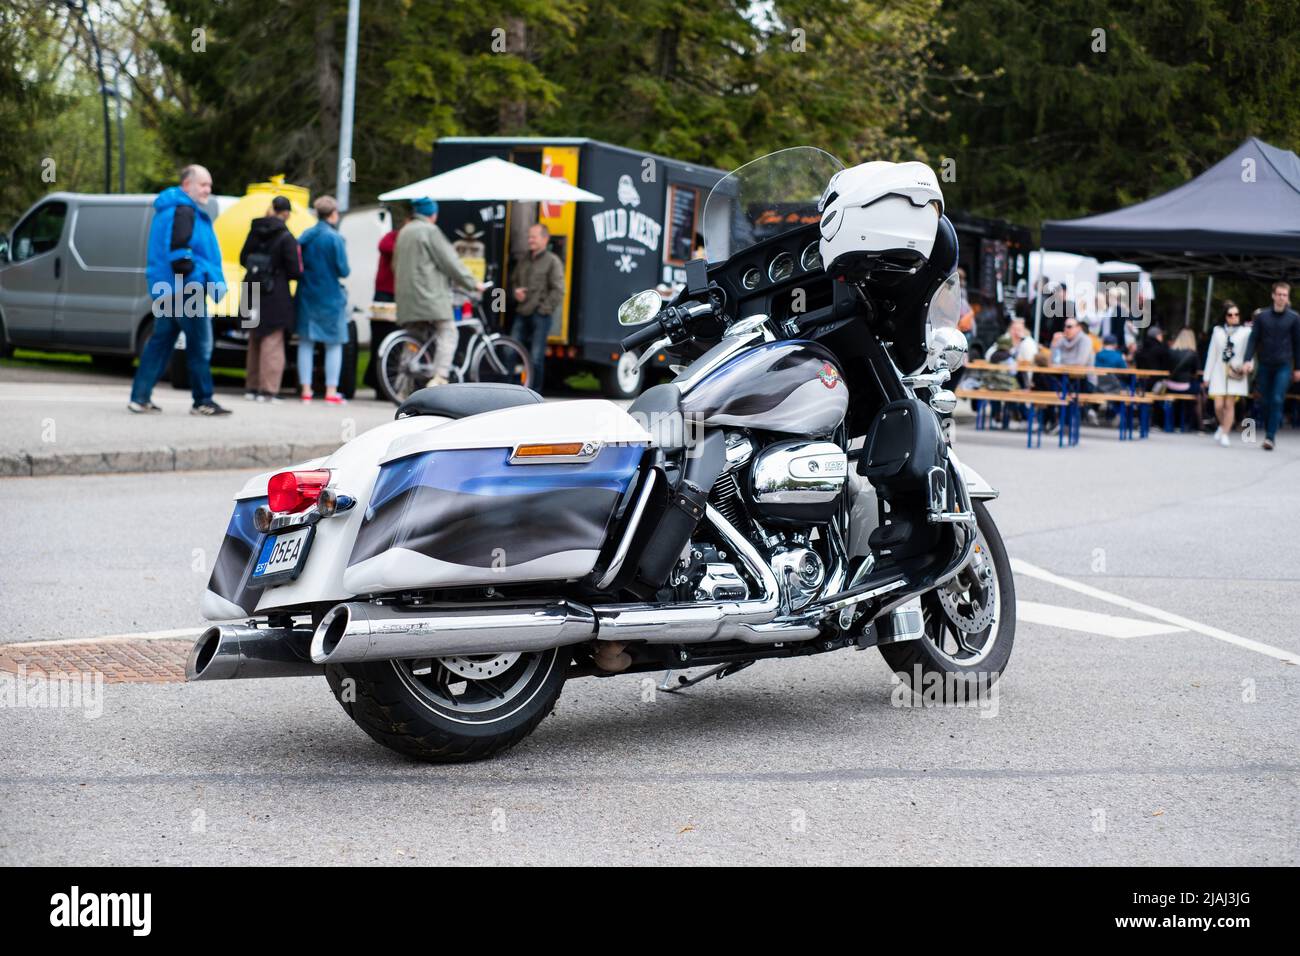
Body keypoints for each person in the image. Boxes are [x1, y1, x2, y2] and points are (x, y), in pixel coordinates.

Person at [128, 164, 230, 416]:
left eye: (210, 185)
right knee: (199, 345)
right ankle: (203, 401)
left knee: (160, 344)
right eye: (203, 184)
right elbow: (180, 256)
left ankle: (140, 398)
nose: (208, 190)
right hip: (185, 290)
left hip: (167, 289)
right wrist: (198, 278)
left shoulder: (167, 210)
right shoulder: (184, 210)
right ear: (187, 185)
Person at [394, 198, 486, 388]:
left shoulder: (404, 232)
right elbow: (449, 261)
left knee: (413, 337)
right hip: (429, 295)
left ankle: (402, 385)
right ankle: (439, 377)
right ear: (432, 214)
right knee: (448, 331)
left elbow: (395, 264)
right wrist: (472, 283)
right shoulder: (430, 231)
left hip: (406, 297)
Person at [239, 195, 301, 403]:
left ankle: (251, 387)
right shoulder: (286, 236)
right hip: (275, 293)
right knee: (272, 341)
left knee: (254, 339)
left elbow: (242, 258)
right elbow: (294, 270)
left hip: (251, 289)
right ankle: (268, 390)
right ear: (286, 213)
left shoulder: (254, 230)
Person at [295, 195, 351, 405]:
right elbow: (343, 270)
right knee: (334, 344)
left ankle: (306, 391)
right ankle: (330, 391)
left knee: (306, 342)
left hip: (307, 294)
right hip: (330, 296)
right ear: (333, 214)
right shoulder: (335, 238)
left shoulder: (305, 235)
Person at [1243, 280, 1300, 450]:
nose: (1282, 298)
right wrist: (1247, 359)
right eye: (1279, 294)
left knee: (1277, 399)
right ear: (1273, 295)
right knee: (1266, 401)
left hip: (1284, 365)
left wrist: (1298, 367)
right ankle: (1270, 429)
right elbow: (1254, 339)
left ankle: (1270, 437)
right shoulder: (1262, 316)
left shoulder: (1294, 318)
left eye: (1285, 295)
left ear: (1287, 297)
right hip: (1265, 364)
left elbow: (1298, 343)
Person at [511, 223, 565, 393]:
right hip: (522, 312)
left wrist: (544, 309)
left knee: (535, 358)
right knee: (509, 352)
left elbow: (558, 290)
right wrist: (515, 292)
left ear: (545, 238)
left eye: (533, 237)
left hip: (540, 316)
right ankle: (510, 389)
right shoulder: (524, 260)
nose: (530, 240)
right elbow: (513, 282)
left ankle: (534, 393)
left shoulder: (553, 261)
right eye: (529, 237)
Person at [364, 211, 404, 395]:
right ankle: (379, 383)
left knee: (395, 342)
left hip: (399, 295)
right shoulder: (391, 239)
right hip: (385, 297)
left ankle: (385, 384)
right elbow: (384, 246)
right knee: (381, 341)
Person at [1204, 300, 1251, 447]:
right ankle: (1223, 425)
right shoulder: (1218, 331)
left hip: (1235, 371)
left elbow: (1249, 353)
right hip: (1219, 371)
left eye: (1236, 314)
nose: (1234, 317)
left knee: (1229, 404)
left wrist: (1248, 366)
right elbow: (1212, 353)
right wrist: (1207, 375)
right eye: (1230, 315)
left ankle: (1225, 433)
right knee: (1218, 405)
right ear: (1225, 316)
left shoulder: (1245, 332)